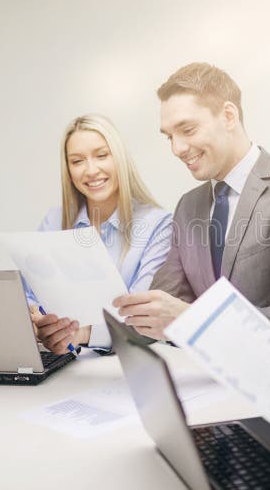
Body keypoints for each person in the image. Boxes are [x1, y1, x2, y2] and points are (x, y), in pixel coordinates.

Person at [112, 62, 270, 355]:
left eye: (187, 129)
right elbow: (163, 307)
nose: (177, 149)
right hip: (213, 377)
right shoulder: (189, 206)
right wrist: (83, 330)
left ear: (229, 116)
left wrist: (192, 319)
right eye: (169, 136)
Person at [30, 114, 172, 353]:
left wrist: (83, 333)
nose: (91, 170)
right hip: (57, 359)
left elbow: (142, 318)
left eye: (101, 155)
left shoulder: (157, 224)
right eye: (77, 161)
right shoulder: (53, 221)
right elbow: (30, 294)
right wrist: (35, 320)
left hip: (120, 362)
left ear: (119, 158)